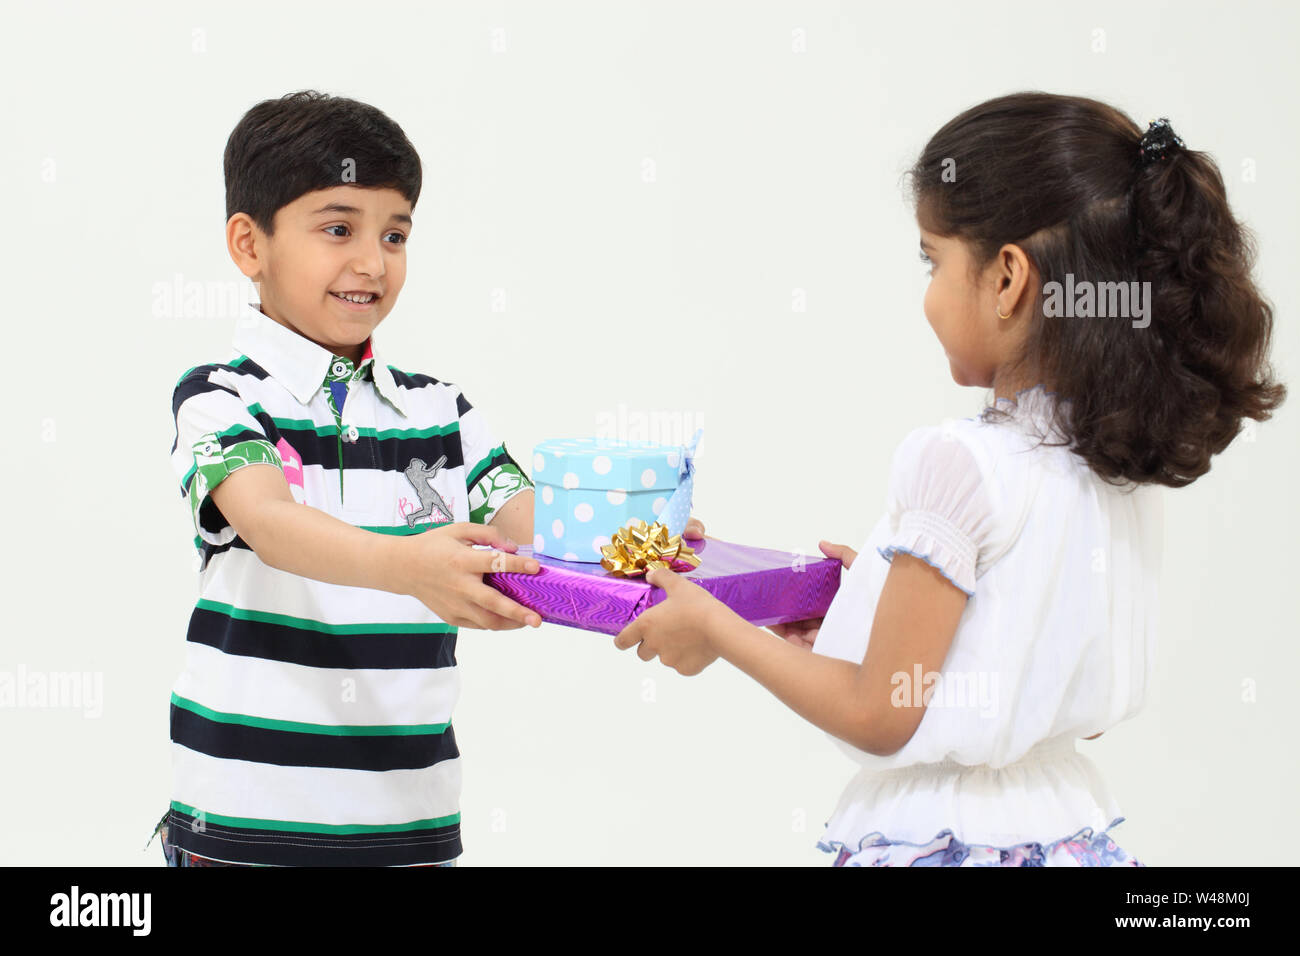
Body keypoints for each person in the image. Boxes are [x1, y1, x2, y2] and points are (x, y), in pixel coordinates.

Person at [613, 92, 1285, 866]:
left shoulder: (958, 462)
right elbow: (1050, 683)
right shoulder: (1118, 466)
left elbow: (879, 715)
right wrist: (874, 608)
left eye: (933, 259)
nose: (927, 292)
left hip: (944, 841)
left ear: (1007, 279)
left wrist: (716, 629)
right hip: (1069, 836)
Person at [149, 88, 702, 866]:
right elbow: (270, 523)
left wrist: (641, 539)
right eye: (338, 228)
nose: (372, 263)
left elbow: (537, 528)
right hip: (248, 826)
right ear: (249, 245)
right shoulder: (221, 397)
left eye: (396, 234)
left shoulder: (443, 412)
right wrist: (408, 566)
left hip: (410, 829)